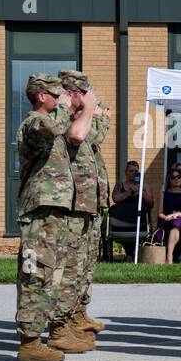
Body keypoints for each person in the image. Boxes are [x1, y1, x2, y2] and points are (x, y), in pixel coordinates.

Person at [13, 72, 97, 361]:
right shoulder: (35, 123)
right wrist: (70, 106)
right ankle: (29, 342)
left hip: (54, 212)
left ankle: (45, 333)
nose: (62, 98)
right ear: (41, 96)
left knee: (52, 274)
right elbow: (56, 128)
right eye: (56, 94)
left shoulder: (54, 123)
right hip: (38, 212)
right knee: (35, 272)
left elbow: (79, 134)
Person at [58, 70, 111, 343]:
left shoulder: (82, 117)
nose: (89, 97)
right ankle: (63, 322)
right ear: (71, 93)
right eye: (83, 93)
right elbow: (81, 137)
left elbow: (93, 138)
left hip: (89, 203)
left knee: (86, 265)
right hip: (73, 204)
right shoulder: (62, 118)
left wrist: (96, 115)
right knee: (71, 268)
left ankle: (78, 313)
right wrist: (93, 112)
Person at [110, 159, 155, 260]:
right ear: (126, 173)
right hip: (122, 223)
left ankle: (132, 255)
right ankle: (131, 254)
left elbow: (151, 203)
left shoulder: (145, 186)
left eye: (136, 171)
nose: (134, 173)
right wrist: (129, 191)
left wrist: (141, 192)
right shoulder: (119, 186)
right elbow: (116, 199)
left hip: (139, 222)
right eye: (131, 171)